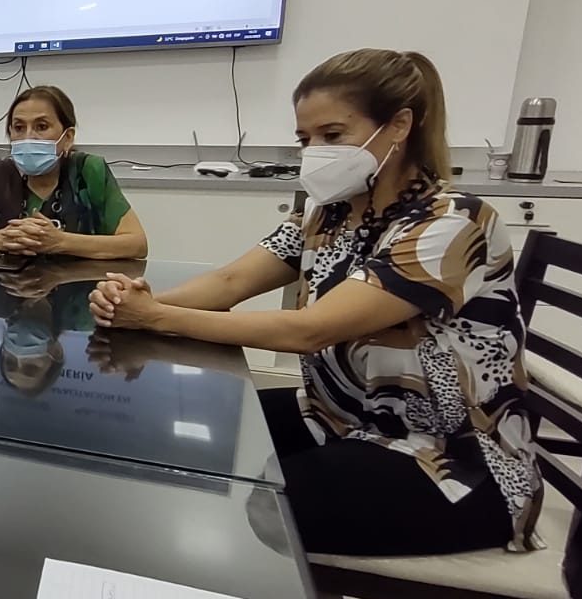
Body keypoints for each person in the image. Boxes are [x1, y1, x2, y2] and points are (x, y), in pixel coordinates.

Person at [89, 49, 543, 555]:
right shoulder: (328, 215)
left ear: (398, 126)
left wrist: (156, 317)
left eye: (333, 135)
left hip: (449, 461)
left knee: (253, 509)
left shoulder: (452, 223)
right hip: (337, 416)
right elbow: (232, 279)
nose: (315, 152)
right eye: (305, 140)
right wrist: (138, 301)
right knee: (188, 434)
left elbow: (310, 329)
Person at [0, 86, 147, 259]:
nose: (28, 137)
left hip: (81, 301)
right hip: (10, 296)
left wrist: (60, 242)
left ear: (68, 137)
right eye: (19, 128)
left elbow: (136, 244)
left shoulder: (89, 172)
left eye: (41, 127)